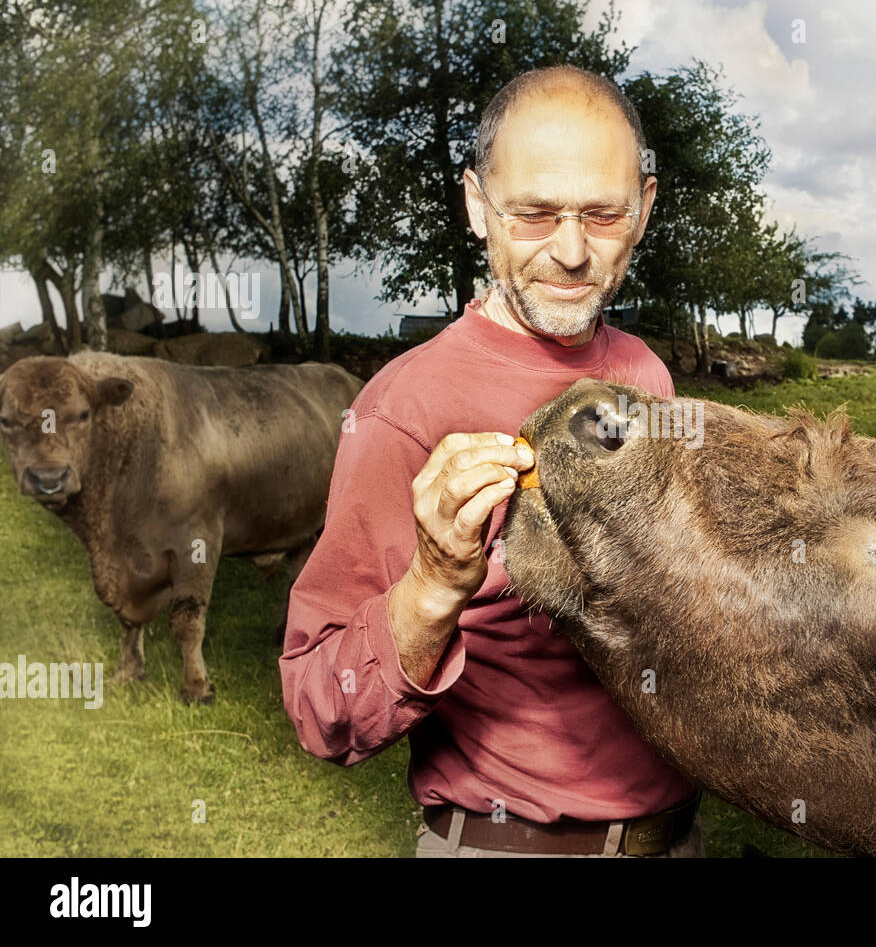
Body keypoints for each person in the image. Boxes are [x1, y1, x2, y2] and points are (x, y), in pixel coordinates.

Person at [280, 64, 704, 857]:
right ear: (478, 206)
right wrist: (433, 584)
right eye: (535, 214)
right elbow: (318, 706)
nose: (572, 251)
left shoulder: (647, 376)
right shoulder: (402, 409)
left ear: (644, 208)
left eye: (603, 215)